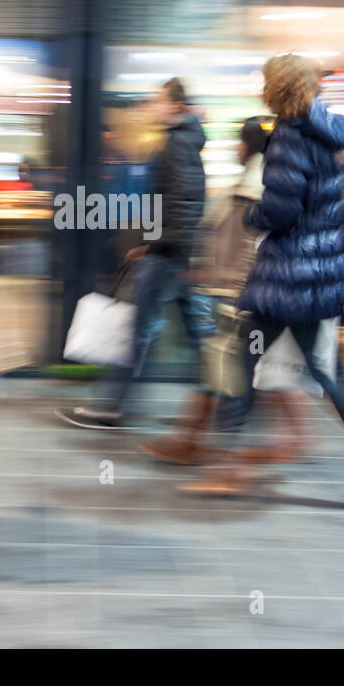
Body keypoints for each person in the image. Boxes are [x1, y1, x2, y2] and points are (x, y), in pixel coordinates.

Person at [184, 54, 344, 502]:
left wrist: (253, 216)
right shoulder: (327, 131)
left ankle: (226, 467)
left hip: (286, 274)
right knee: (326, 369)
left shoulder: (287, 135)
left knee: (239, 361)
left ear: (276, 88)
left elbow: (282, 209)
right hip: (321, 271)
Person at [57, 77, 213, 428]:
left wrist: (163, 247)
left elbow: (184, 203)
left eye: (157, 100)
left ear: (176, 105)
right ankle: (230, 398)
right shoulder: (179, 141)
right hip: (170, 251)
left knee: (139, 330)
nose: (151, 106)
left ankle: (109, 405)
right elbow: (173, 203)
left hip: (170, 254)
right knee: (194, 333)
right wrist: (150, 245)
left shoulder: (178, 144)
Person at [139, 115, 271, 464]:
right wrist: (204, 272)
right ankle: (195, 442)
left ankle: (199, 446)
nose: (236, 147)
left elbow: (248, 248)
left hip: (237, 299)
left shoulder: (253, 186)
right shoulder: (252, 180)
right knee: (221, 372)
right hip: (232, 294)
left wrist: (234, 292)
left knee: (221, 370)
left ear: (250, 144)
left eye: (240, 141)